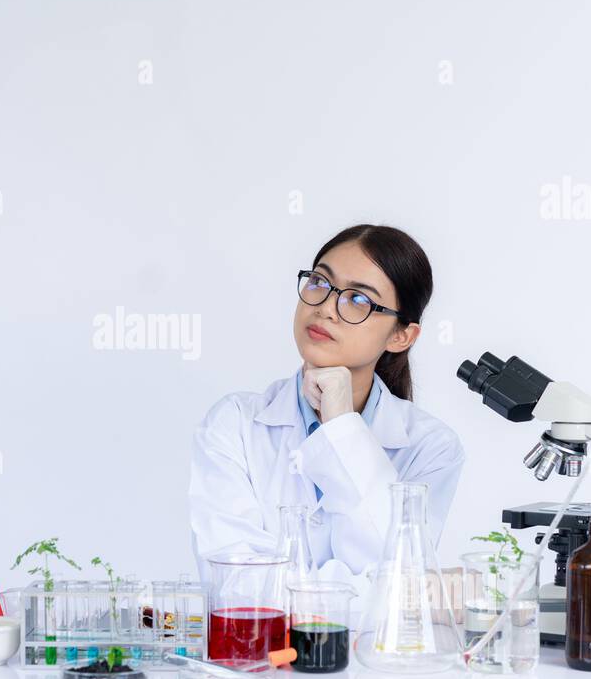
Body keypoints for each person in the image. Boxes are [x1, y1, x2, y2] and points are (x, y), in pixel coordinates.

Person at [189, 224, 465, 587]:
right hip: (263, 647)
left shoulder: (431, 447)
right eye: (320, 282)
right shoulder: (234, 424)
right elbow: (238, 589)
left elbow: (401, 581)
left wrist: (342, 427)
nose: (327, 309)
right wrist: (359, 590)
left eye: (359, 300)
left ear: (401, 336)